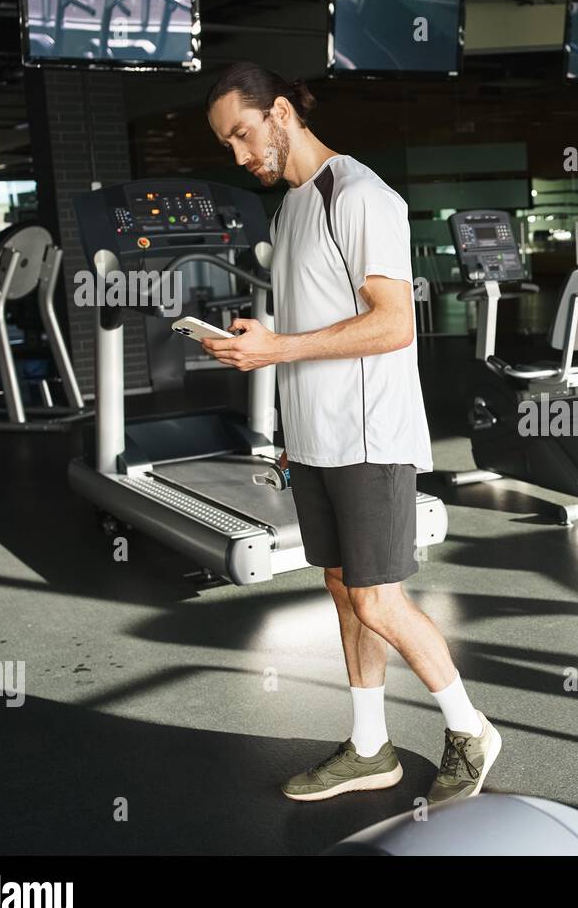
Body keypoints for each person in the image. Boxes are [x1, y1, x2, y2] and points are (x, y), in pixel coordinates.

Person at [202, 62, 500, 804]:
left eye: (242, 135)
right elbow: (315, 327)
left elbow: (394, 324)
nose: (239, 156)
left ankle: (471, 730)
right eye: (228, 145)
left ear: (278, 113)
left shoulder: (361, 195)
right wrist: (288, 413)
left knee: (376, 599)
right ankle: (371, 746)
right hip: (319, 439)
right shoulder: (293, 206)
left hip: (370, 438)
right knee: (342, 591)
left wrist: (274, 349)